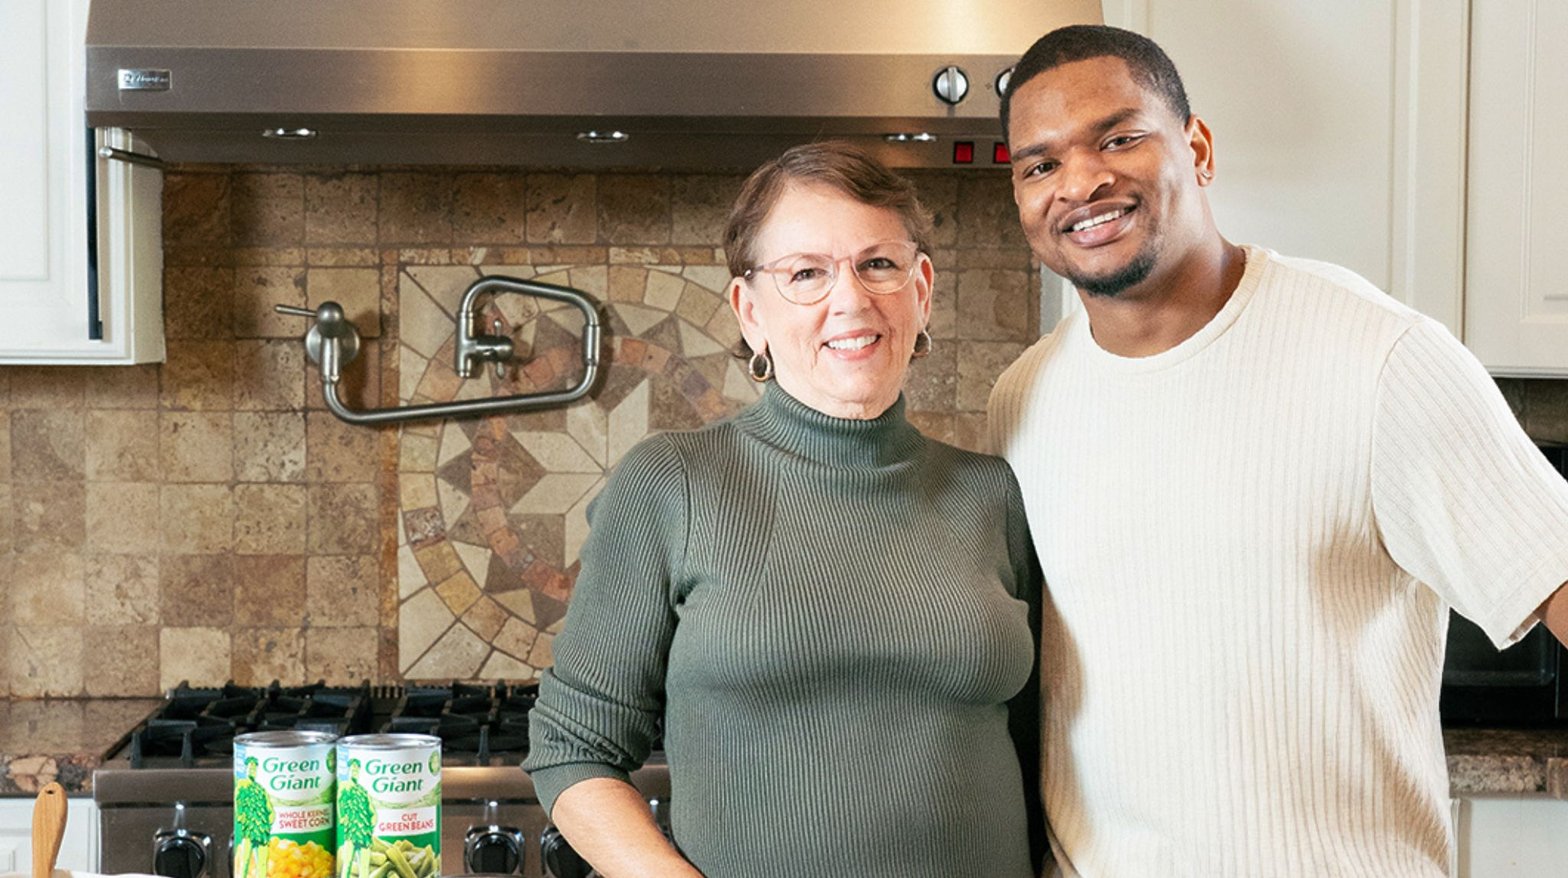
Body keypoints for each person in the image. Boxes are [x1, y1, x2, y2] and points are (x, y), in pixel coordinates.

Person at [986, 23, 1568, 877]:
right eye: (1040, 165)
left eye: (1119, 138)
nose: (1081, 182)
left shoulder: (1380, 360)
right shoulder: (1022, 401)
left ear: (1199, 148)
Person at [525, 141, 1045, 878]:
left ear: (922, 290)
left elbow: (1044, 753)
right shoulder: (672, 482)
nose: (852, 300)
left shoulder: (994, 493)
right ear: (750, 310)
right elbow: (572, 748)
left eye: (879, 264)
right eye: (806, 273)